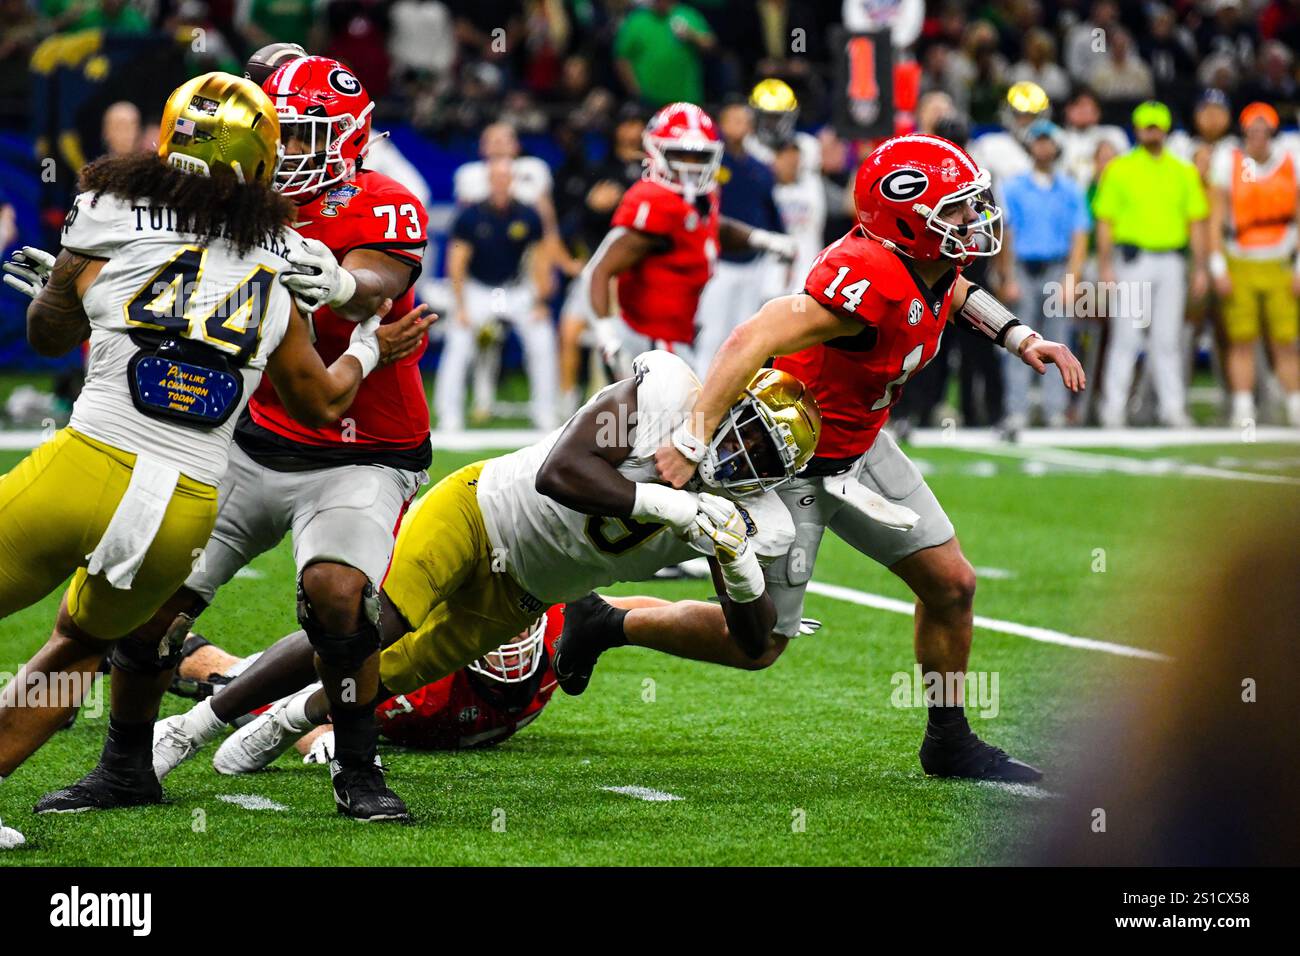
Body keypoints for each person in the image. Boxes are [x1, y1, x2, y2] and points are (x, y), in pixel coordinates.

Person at [0, 72, 427, 846]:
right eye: (284, 134)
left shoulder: (117, 206)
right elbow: (324, 362)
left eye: (311, 135)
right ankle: (125, 765)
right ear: (263, 152)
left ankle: (359, 770)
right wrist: (353, 324)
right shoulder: (277, 254)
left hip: (334, 453)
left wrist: (74, 285)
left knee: (336, 595)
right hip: (215, 462)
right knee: (106, 634)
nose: (295, 149)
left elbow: (50, 333)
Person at [150, 350, 822, 781]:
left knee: (394, 672)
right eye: (750, 429)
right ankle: (190, 728)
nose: (746, 454)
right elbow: (565, 471)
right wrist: (670, 509)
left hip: (525, 592)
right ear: (730, 404)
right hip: (480, 512)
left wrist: (737, 565)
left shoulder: (758, 517)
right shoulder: (669, 395)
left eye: (766, 455)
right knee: (370, 628)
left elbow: (755, 640)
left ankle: (287, 720)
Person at [649, 134, 1086, 782]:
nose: (974, 222)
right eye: (957, 212)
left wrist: (1020, 337)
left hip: (862, 448)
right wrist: (691, 437)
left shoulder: (925, 263)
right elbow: (755, 334)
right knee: (757, 644)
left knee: (953, 585)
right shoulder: (868, 275)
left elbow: (953, 291)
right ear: (908, 220)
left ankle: (949, 739)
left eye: (971, 207)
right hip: (790, 469)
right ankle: (607, 622)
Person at [585, 102, 795, 379]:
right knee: (687, 417)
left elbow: (707, 228)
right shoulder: (653, 201)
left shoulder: (702, 196)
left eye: (699, 157)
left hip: (679, 338)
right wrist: (606, 338)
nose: (690, 166)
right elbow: (598, 269)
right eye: (680, 155)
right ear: (656, 150)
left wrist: (760, 239)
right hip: (651, 343)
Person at [1093, 100, 1209, 428]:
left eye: (1157, 127)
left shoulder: (1183, 171)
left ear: (1166, 129)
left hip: (1172, 260)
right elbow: (1105, 221)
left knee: (1168, 339)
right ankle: (1113, 409)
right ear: (1137, 129)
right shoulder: (1120, 168)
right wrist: (1105, 265)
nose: (1152, 132)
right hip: (1133, 260)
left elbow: (1196, 222)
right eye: (1147, 126)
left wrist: (1200, 267)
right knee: (1126, 337)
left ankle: (1172, 409)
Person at [437, 158, 557, 431]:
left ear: (512, 180)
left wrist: (540, 301)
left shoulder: (528, 214)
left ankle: (545, 413)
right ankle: (449, 415)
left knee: (542, 338)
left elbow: (539, 258)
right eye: (496, 178)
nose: (501, 183)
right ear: (488, 181)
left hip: (515, 290)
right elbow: (457, 263)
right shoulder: (470, 216)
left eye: (506, 178)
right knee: (458, 343)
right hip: (477, 289)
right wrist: (461, 306)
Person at [1207, 102, 1300, 427]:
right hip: (1241, 258)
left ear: (1272, 132)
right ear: (1245, 131)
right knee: (1241, 339)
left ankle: (1294, 406)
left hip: (1280, 259)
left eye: (1263, 130)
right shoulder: (1228, 160)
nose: (1258, 137)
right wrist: (1217, 266)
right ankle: (1244, 408)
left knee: (1285, 340)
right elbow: (1215, 218)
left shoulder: (1291, 158)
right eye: (1252, 130)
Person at [1000, 121, 1091, 431]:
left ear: (1056, 146)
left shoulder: (1070, 188)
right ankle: (1017, 410)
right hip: (1023, 268)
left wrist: (1072, 278)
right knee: (1018, 340)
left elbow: (1080, 235)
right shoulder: (1013, 187)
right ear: (1030, 146)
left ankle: (1056, 410)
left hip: (1055, 267)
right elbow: (1006, 234)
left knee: (1059, 342)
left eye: (1047, 141)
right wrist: (1007, 276)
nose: (1042, 147)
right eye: (1037, 141)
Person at [693, 102, 794, 376]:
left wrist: (783, 251)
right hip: (718, 261)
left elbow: (771, 211)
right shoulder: (709, 165)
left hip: (754, 261)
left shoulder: (761, 169)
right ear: (721, 123)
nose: (740, 125)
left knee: (743, 332)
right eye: (733, 118)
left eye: (743, 119)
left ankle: (735, 393)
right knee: (712, 332)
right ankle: (699, 390)